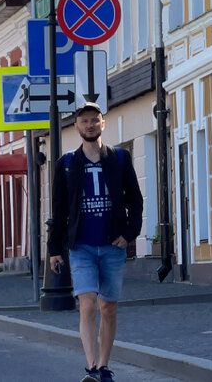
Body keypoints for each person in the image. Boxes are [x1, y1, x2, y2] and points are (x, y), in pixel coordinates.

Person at [48, 101, 143, 382]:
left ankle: (104, 366)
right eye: (84, 121)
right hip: (82, 247)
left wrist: (129, 234)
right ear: (76, 126)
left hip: (113, 245)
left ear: (103, 123)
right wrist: (55, 250)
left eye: (94, 119)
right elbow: (59, 210)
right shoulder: (66, 164)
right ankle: (91, 368)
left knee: (108, 307)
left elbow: (135, 201)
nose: (89, 124)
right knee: (88, 303)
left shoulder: (120, 159)